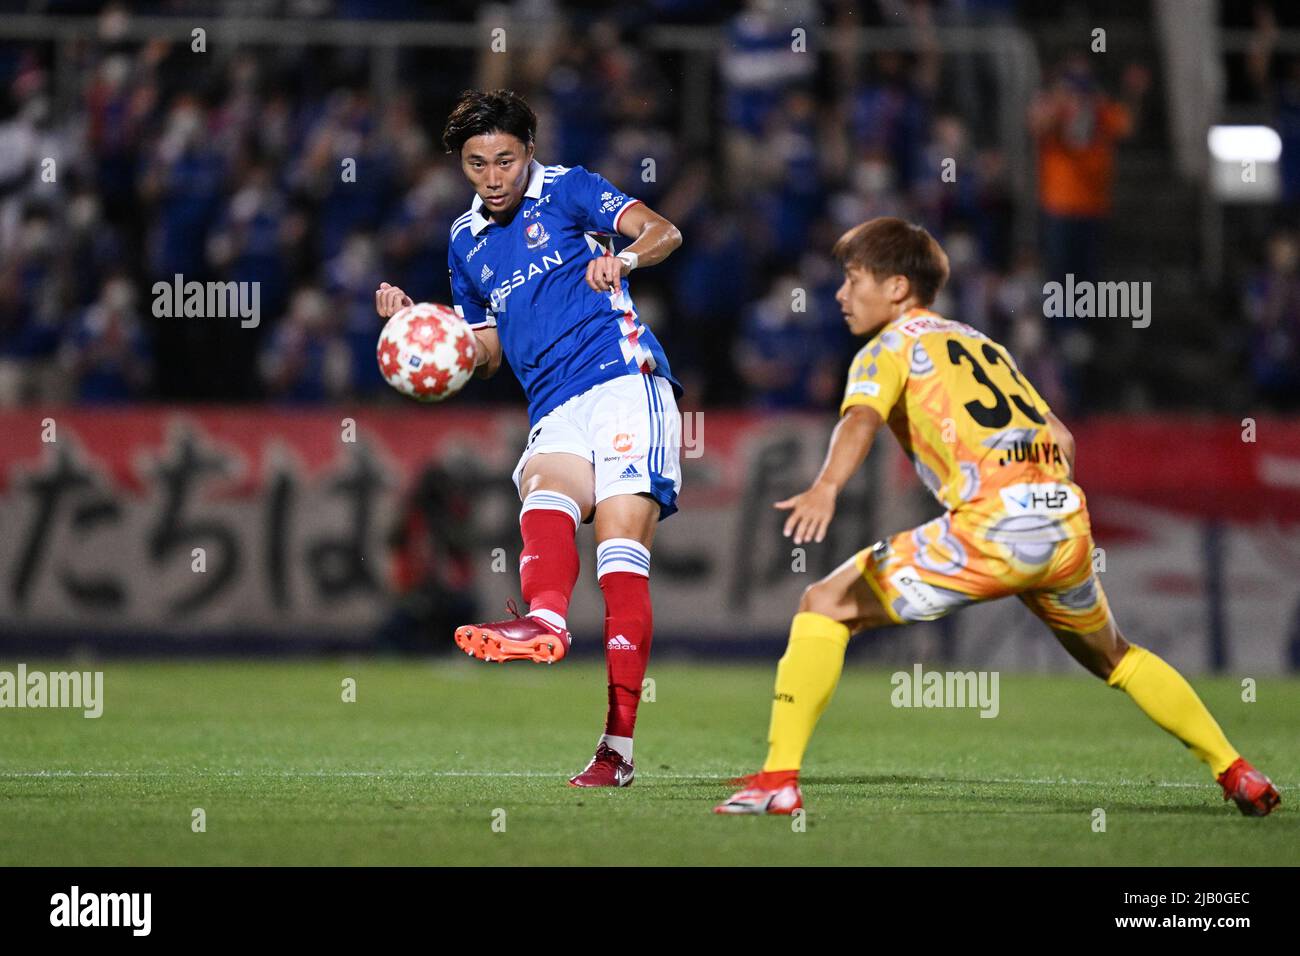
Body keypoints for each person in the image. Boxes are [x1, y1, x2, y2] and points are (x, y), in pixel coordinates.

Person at [714, 217, 1281, 817]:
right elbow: (1060, 437)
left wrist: (826, 486)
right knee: (1116, 657)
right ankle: (1236, 771)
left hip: (991, 527)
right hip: (1062, 521)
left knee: (823, 605)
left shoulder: (888, 348)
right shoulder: (982, 344)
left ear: (899, 288)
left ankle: (778, 779)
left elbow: (859, 420)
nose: (840, 294)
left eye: (854, 280)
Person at [375, 90, 684, 788]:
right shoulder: (465, 241)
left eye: (506, 160)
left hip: (623, 379)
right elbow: (482, 351)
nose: (493, 176)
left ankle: (617, 751)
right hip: (553, 403)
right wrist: (419, 332)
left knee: (619, 560)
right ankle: (544, 620)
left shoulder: (570, 191)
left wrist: (624, 261)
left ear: (529, 152)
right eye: (477, 163)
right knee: (541, 488)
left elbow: (664, 232)